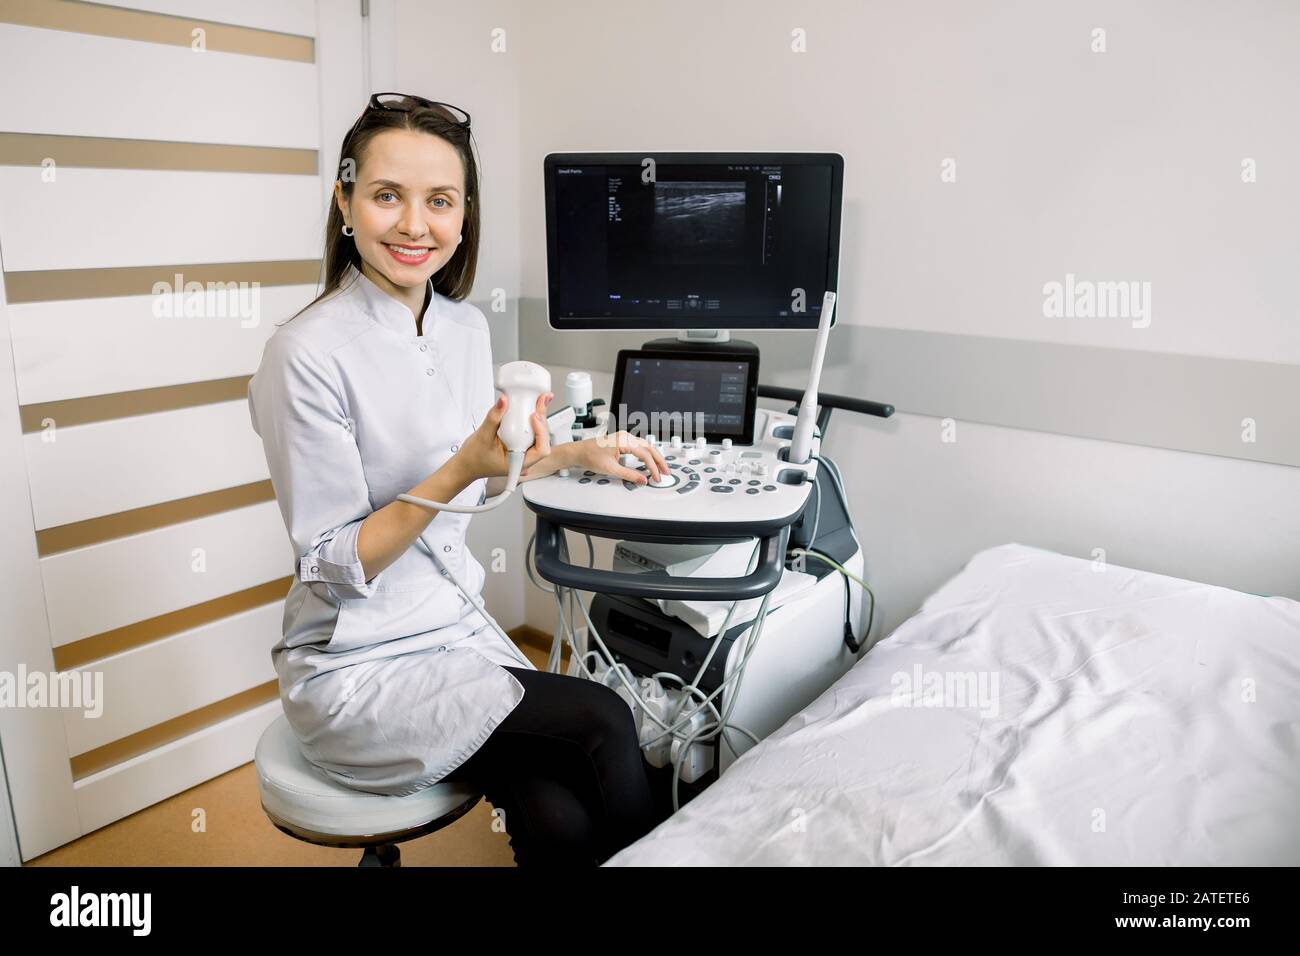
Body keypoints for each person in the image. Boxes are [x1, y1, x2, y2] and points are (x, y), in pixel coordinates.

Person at [246, 93, 670, 865]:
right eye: (386, 196)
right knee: (603, 716)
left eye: (439, 201)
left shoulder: (466, 329)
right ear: (346, 202)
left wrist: (575, 455)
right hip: (356, 665)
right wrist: (460, 470)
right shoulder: (304, 355)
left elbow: (485, 471)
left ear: (465, 214)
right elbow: (337, 565)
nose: (415, 225)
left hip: (452, 635)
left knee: (560, 814)